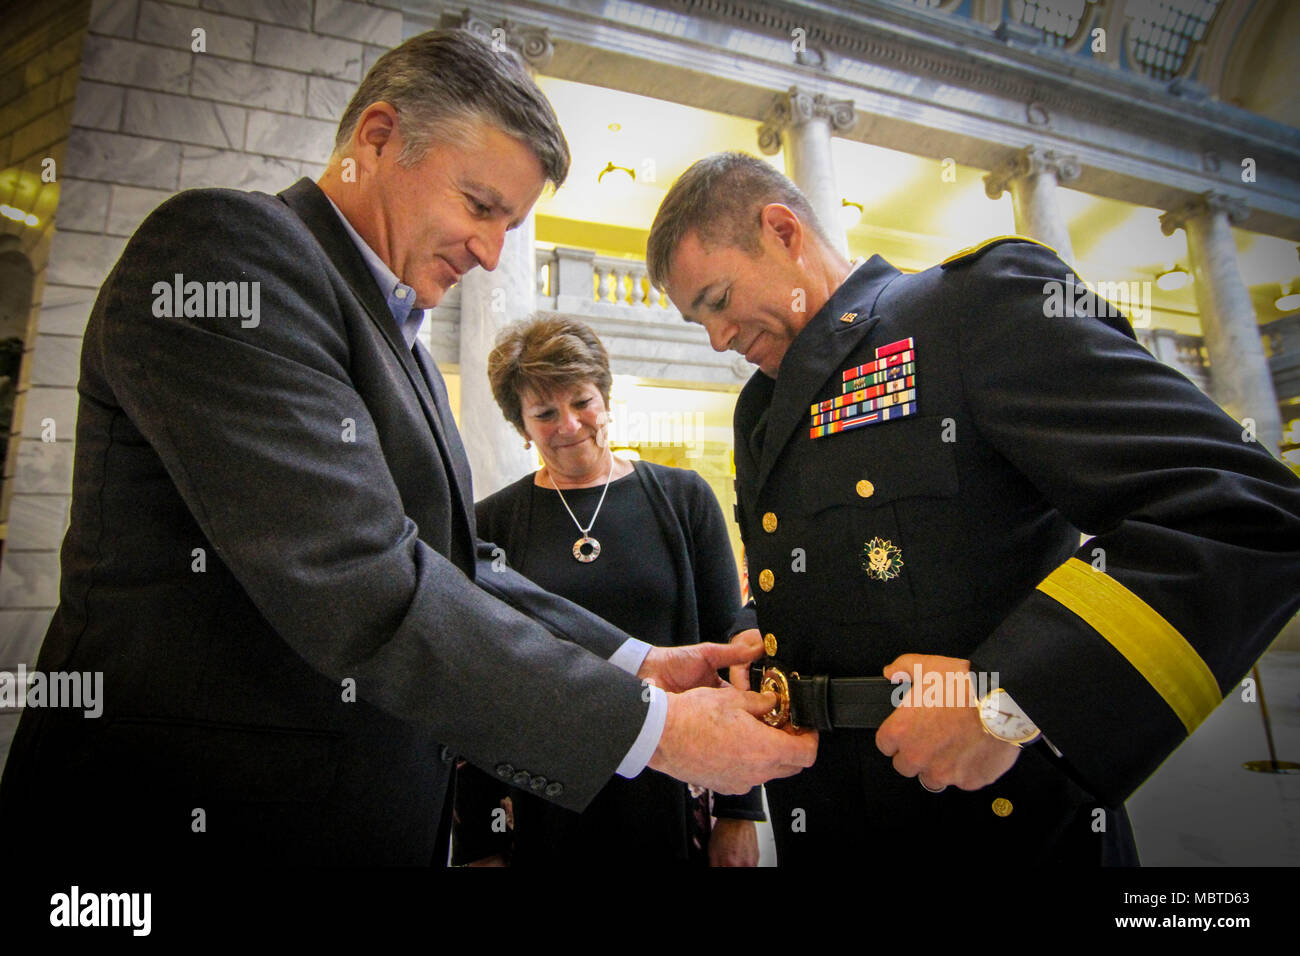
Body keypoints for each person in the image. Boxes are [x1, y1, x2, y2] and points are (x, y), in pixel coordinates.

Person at [0, 37, 816, 866]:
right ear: (379, 138)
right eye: (479, 205)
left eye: (512, 224)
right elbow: (359, 577)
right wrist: (655, 732)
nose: (493, 251)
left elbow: (457, 564)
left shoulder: (410, 349)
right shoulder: (229, 252)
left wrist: (638, 663)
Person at [645, 151, 1300, 865]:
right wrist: (753, 647)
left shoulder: (973, 307)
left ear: (782, 231)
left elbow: (1241, 506)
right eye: (695, 320)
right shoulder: (760, 409)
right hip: (832, 819)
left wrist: (1012, 698)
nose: (717, 339)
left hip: (1002, 827)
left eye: (716, 300)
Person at [452, 317, 765, 866]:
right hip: (545, 795)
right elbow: (481, 683)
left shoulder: (683, 499)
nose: (570, 424)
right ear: (522, 426)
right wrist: (481, 840)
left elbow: (732, 656)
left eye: (582, 401)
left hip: (673, 782)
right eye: (545, 413)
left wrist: (739, 813)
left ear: (606, 397)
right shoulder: (491, 523)